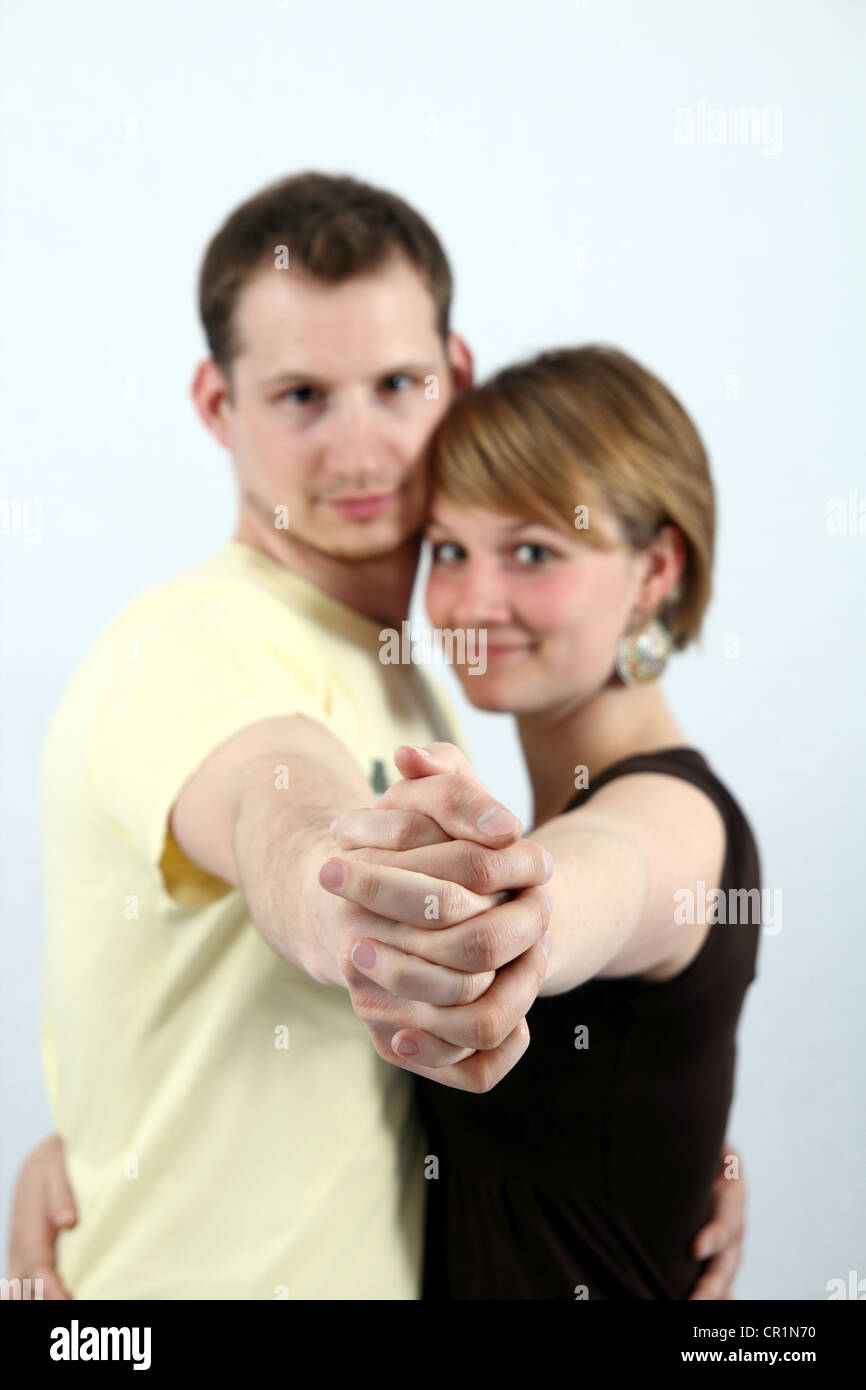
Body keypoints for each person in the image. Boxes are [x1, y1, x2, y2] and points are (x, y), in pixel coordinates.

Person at [5, 175, 744, 1301]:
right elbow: (276, 807)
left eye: (396, 384)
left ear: (454, 375)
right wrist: (346, 896)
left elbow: (614, 897)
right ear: (218, 406)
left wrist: (673, 1160)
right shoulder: (199, 644)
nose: (359, 449)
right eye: (302, 394)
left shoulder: (404, 675)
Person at [319, 345, 761, 1299]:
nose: (473, 602)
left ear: (654, 571)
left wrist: (508, 923)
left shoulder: (673, 814)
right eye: (448, 550)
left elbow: (599, 880)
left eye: (533, 551)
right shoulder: (543, 797)